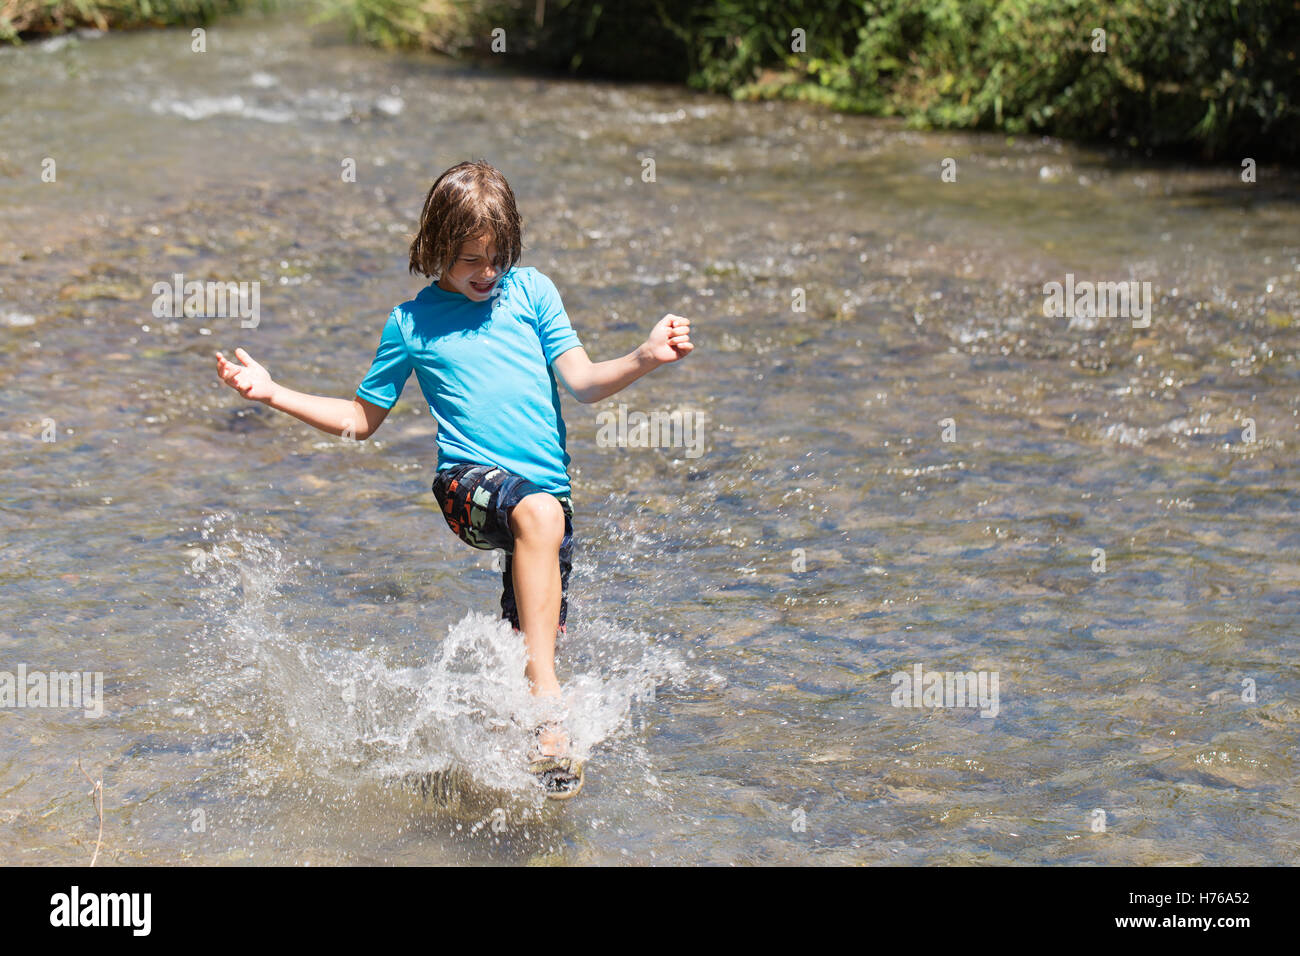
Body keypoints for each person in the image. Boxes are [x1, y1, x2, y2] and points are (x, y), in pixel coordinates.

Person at [215, 160, 694, 794]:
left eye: (498, 256)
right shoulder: (411, 324)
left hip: (545, 505)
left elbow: (581, 381)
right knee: (539, 522)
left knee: (527, 639)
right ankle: (553, 716)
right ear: (437, 247)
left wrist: (643, 356)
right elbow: (362, 419)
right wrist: (275, 393)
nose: (488, 272)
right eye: (471, 259)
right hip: (466, 487)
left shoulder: (532, 293)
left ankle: (511, 766)